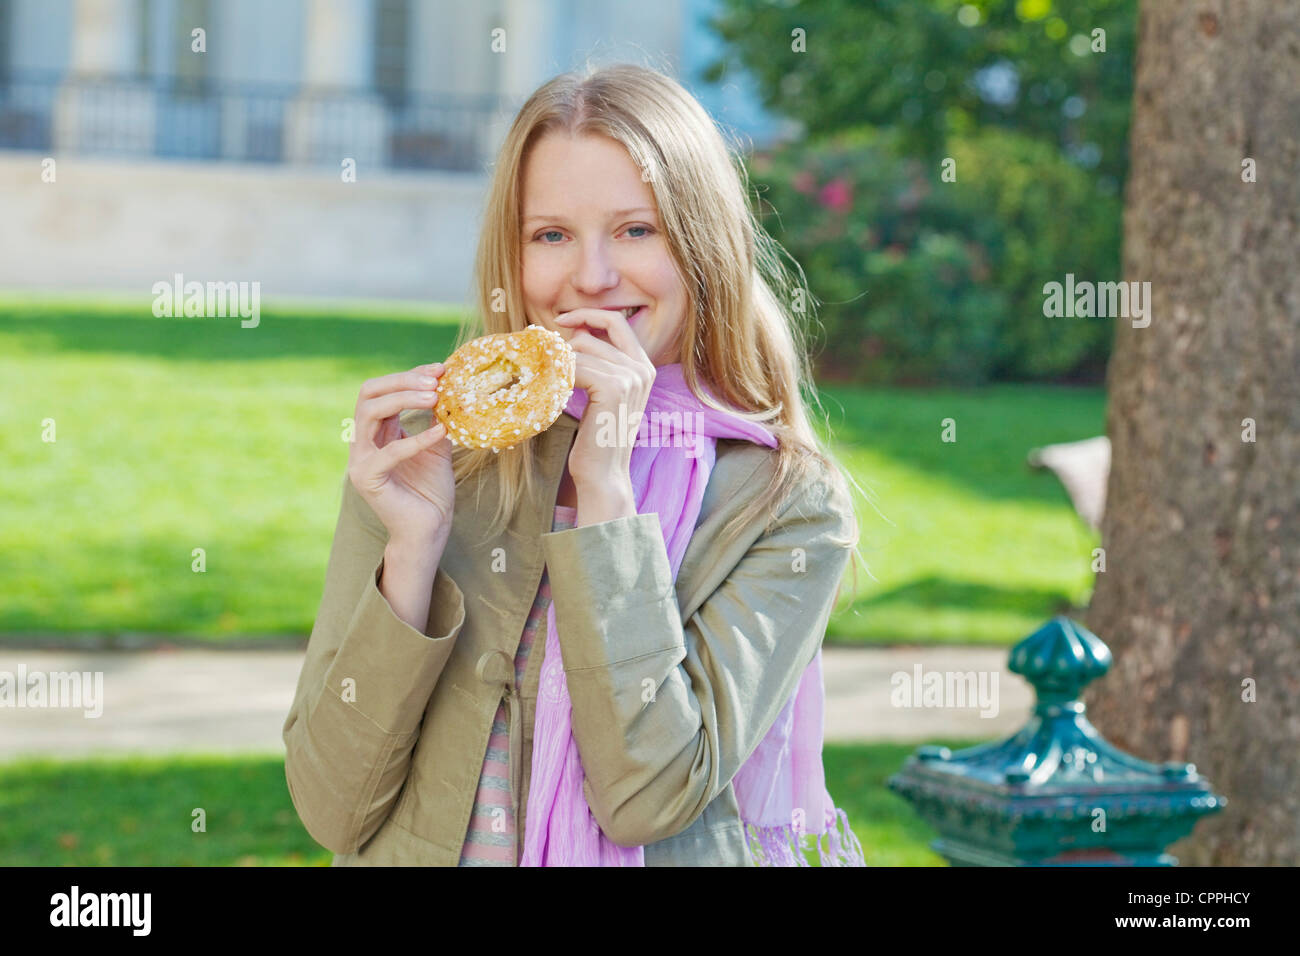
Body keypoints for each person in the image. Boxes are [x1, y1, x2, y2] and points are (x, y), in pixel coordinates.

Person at [283, 62, 869, 866]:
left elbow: (649, 796)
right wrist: (410, 559)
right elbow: (331, 807)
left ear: (700, 244)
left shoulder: (784, 503)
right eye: (550, 235)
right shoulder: (427, 454)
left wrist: (607, 494)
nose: (591, 277)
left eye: (637, 230)